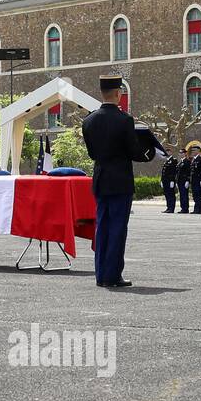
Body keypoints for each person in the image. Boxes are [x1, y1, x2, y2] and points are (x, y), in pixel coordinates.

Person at [81, 74, 152, 288]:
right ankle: (113, 275)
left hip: (101, 179)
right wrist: (149, 153)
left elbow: (93, 154)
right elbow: (133, 151)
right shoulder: (124, 120)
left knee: (102, 227)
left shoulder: (89, 120)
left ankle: (101, 274)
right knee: (118, 228)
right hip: (120, 180)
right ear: (119, 93)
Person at [160, 145, 178, 213]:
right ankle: (168, 207)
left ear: (171, 152)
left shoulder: (174, 160)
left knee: (171, 195)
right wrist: (161, 180)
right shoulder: (166, 161)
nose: (167, 152)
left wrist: (172, 180)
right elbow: (163, 172)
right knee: (167, 194)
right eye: (166, 151)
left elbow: (173, 172)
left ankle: (171, 208)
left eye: (168, 151)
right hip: (165, 181)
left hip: (170, 181)